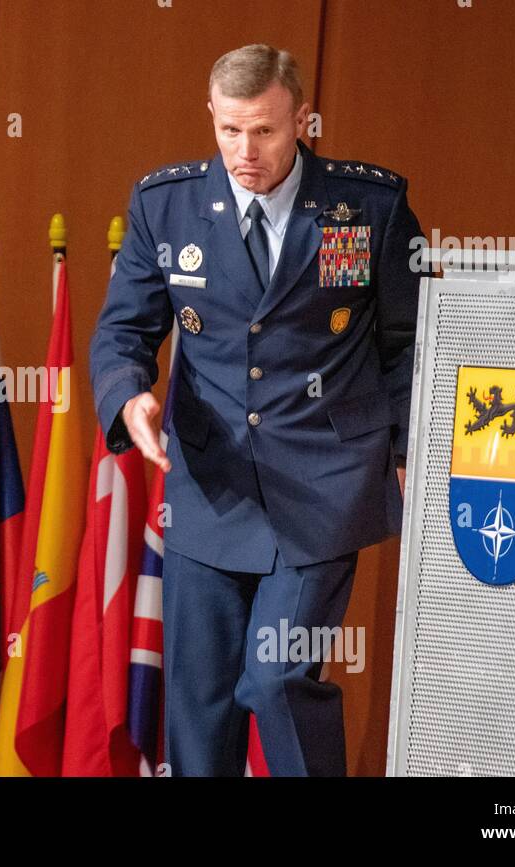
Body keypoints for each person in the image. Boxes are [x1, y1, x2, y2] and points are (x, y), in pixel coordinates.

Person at [88, 43, 424, 776]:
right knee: (200, 706)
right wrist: (128, 397)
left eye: (266, 132)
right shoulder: (164, 203)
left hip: (325, 488)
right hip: (211, 491)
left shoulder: (370, 207)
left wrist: (407, 452)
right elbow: (124, 330)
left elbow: (410, 342)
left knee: (274, 680)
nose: (246, 151)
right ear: (211, 114)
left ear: (303, 119)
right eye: (230, 130)